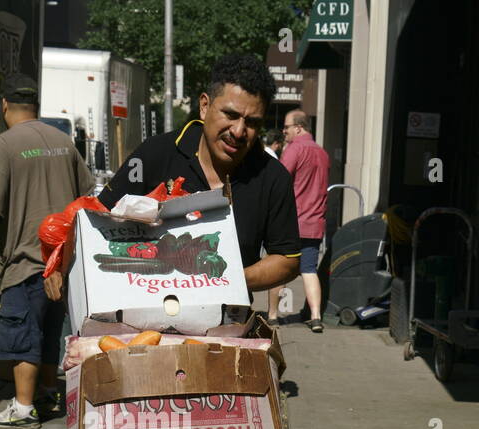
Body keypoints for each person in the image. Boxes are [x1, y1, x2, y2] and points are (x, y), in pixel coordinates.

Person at [98, 54, 300, 293]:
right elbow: (99, 217)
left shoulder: (273, 177)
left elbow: (288, 259)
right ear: (205, 106)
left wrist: (226, 280)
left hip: (225, 322)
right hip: (145, 318)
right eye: (231, 115)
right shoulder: (155, 154)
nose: (238, 131)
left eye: (252, 123)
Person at [0, 73, 94, 429]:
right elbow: (88, 192)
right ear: (37, 107)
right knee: (47, 331)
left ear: (4, 106)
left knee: (22, 332)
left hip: (24, 259)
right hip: (60, 262)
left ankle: (23, 406)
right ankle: (46, 393)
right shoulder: (63, 140)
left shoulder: (5, 144)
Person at [279, 109, 330, 332]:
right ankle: (316, 316)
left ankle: (273, 316)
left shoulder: (295, 149)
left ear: (299, 128)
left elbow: (279, 179)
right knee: (309, 269)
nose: (284, 131)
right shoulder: (322, 152)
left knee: (280, 269)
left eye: (287, 127)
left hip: (292, 221)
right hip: (315, 221)